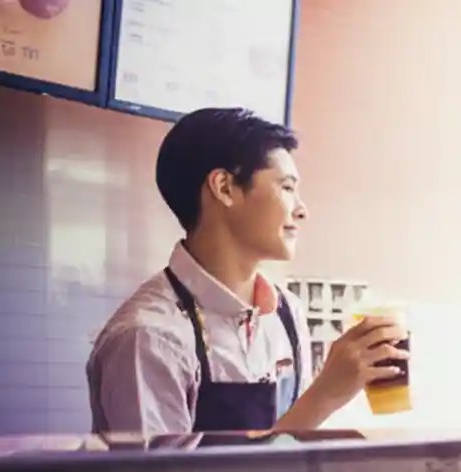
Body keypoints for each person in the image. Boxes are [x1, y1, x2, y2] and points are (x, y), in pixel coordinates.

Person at [87, 107, 406, 436]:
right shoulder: (149, 337)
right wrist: (326, 395)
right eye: (286, 187)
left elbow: (296, 454)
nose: (302, 210)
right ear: (224, 187)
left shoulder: (286, 313)